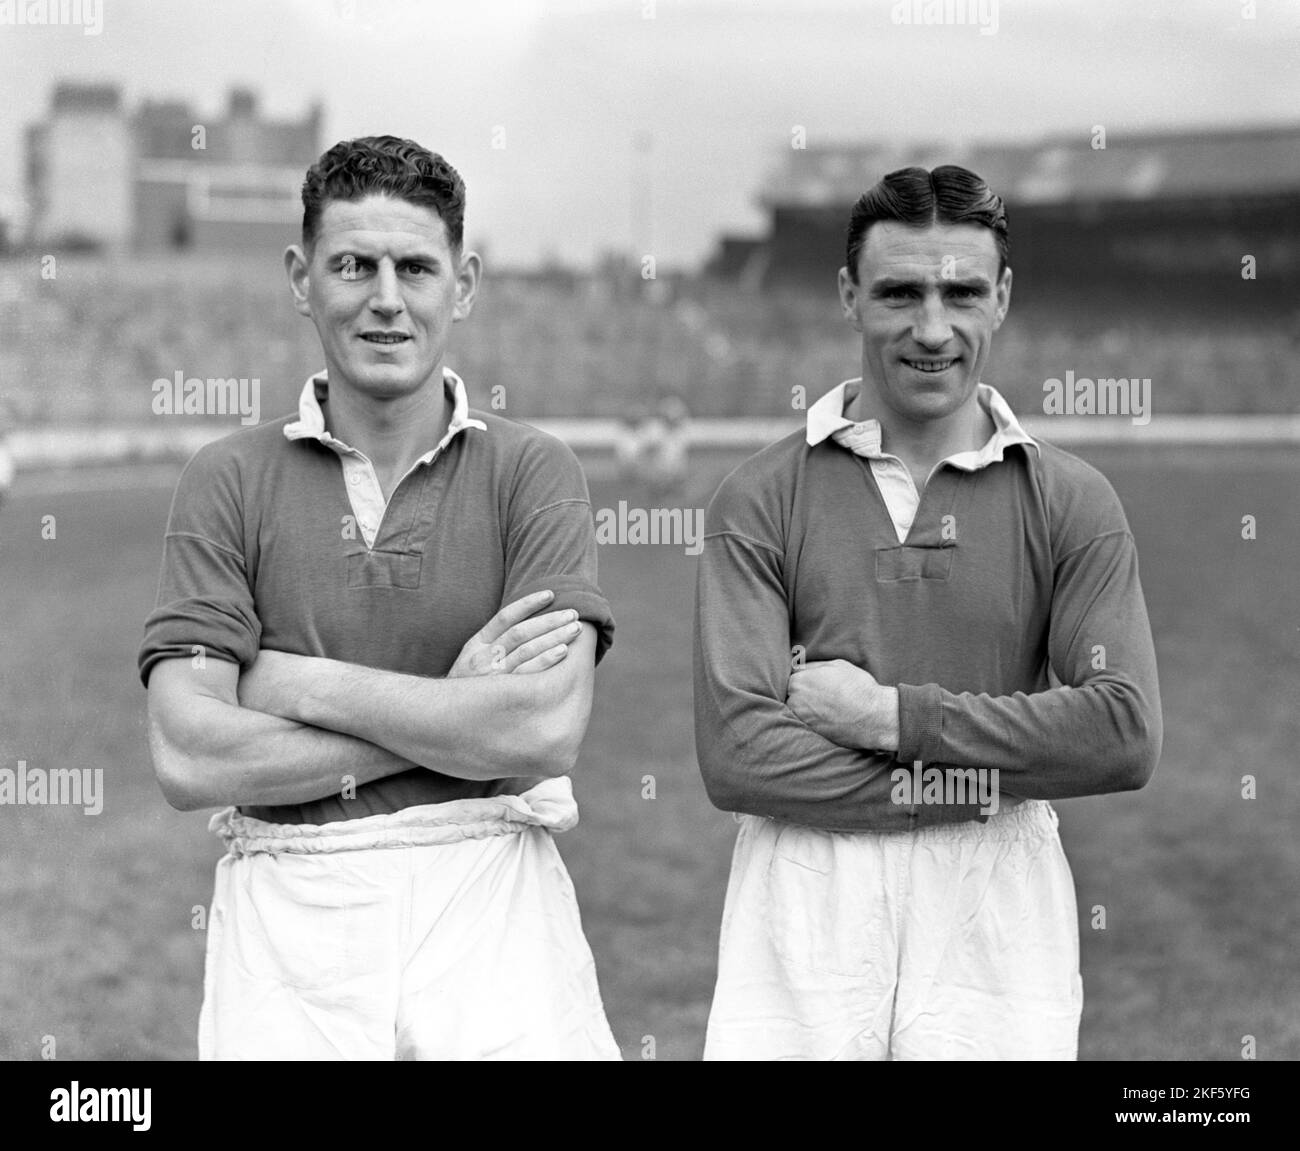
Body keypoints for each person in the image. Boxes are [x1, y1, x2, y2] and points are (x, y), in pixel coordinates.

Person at [140, 136, 620, 1060]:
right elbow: (189, 753)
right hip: (288, 910)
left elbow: (541, 732)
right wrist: (454, 704)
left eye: (415, 267)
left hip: (492, 891)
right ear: (301, 277)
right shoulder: (225, 479)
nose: (386, 299)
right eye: (354, 265)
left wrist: (284, 681)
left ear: (464, 284)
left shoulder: (534, 472)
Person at [693, 165, 1162, 1061]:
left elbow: (1122, 730)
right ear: (848, 294)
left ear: (1004, 297)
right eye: (900, 292)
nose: (932, 327)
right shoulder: (757, 497)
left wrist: (891, 716)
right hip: (806, 883)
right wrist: (976, 777)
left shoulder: (1073, 500)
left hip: (997, 898)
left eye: (962, 292)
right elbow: (740, 757)